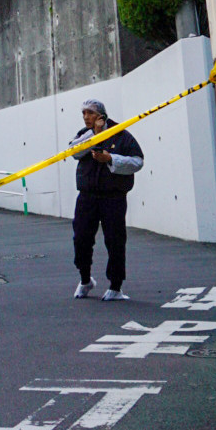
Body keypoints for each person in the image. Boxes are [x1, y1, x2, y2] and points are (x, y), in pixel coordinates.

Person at [69, 98, 144, 301]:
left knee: (115, 241)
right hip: (87, 196)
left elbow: (138, 161)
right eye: (83, 113)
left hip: (114, 197)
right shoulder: (84, 135)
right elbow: (73, 152)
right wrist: (94, 135)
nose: (86, 117)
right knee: (81, 239)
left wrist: (110, 159)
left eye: (90, 113)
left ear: (101, 115)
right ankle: (85, 280)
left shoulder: (121, 134)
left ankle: (116, 286)